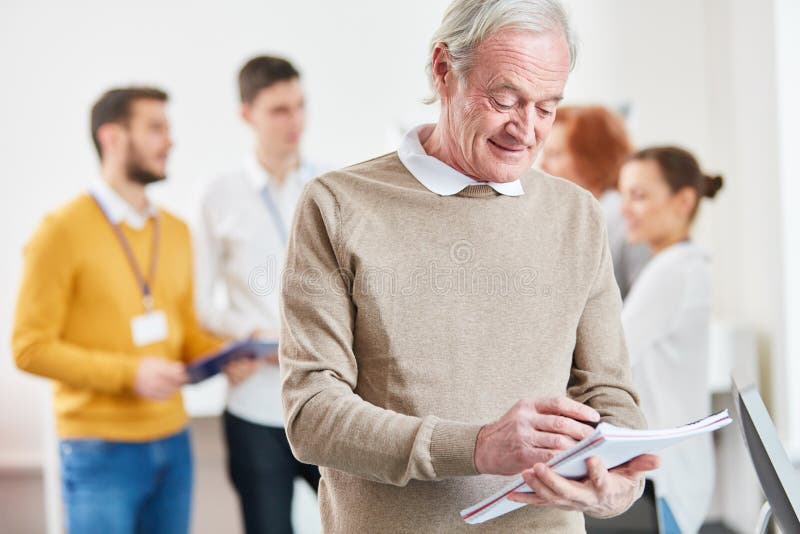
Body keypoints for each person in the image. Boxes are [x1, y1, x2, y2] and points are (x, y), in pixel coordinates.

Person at [279, 1, 658, 532]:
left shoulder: (577, 216)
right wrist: (476, 447)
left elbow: (609, 394)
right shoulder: (338, 205)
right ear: (442, 69)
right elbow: (312, 415)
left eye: (547, 108)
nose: (526, 129)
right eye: (505, 99)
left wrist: (617, 483)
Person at [11, 87, 226, 534]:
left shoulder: (178, 232)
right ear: (111, 137)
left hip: (173, 440)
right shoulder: (59, 232)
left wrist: (229, 353)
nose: (170, 141)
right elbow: (29, 348)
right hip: (98, 450)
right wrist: (130, 374)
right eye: (155, 128)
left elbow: (184, 333)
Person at [193, 56, 321, 534]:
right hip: (254, 404)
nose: (296, 121)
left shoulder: (330, 185)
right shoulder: (217, 194)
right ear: (246, 114)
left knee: (357, 521)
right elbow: (201, 303)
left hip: (324, 398)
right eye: (279, 110)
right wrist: (252, 334)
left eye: (301, 106)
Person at [619, 146, 724, 533]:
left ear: (683, 201)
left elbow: (610, 357)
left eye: (640, 195)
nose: (625, 208)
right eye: (624, 194)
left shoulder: (672, 271)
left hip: (670, 472)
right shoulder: (684, 264)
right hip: (679, 466)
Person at [539, 105, 651, 299]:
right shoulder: (578, 215)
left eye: (555, 154)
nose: (542, 165)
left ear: (590, 159)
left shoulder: (620, 216)